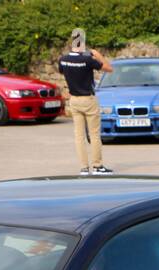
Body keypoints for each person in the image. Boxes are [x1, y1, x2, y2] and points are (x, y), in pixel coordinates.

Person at [58, 28, 113, 175]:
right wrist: (98, 55)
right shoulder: (88, 59)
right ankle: (97, 166)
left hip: (74, 100)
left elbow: (62, 71)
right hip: (88, 99)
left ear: (72, 41)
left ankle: (83, 168)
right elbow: (109, 68)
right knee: (94, 134)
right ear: (83, 41)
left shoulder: (63, 59)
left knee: (79, 136)